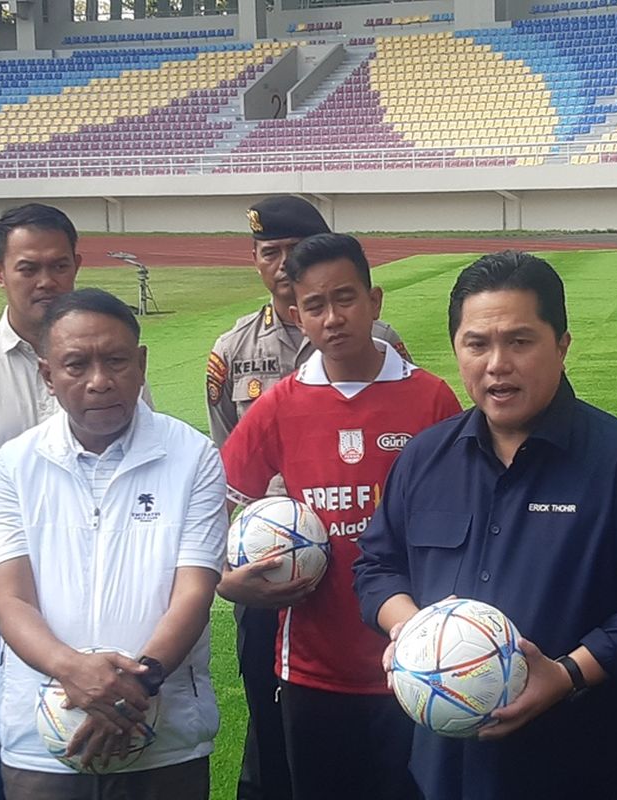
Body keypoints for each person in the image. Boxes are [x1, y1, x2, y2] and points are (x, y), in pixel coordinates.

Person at [353, 250, 617, 799]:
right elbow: (378, 565)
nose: (497, 363)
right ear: (456, 349)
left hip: (580, 763)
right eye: (477, 343)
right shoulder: (423, 461)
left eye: (520, 341)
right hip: (445, 768)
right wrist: (416, 633)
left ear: (561, 345)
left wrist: (565, 674)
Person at [220, 233, 461, 800]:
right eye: (314, 305)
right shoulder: (280, 403)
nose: (332, 318)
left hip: (414, 659)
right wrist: (227, 579)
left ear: (375, 301)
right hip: (311, 663)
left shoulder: (429, 398)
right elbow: (217, 497)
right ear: (298, 315)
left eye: (345, 298)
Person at [0, 289, 224, 800]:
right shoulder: (11, 466)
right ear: (48, 375)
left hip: (165, 737)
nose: (99, 381)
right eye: (76, 365)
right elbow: (11, 599)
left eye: (115, 361)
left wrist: (136, 686)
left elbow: (194, 592)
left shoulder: (193, 456)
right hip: (41, 744)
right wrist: (75, 673)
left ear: (141, 363)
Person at [0, 203, 150, 800]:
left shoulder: (116, 365)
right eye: (28, 267)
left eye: (59, 265)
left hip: (103, 606)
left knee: (109, 757)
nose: (46, 281)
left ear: (79, 265)